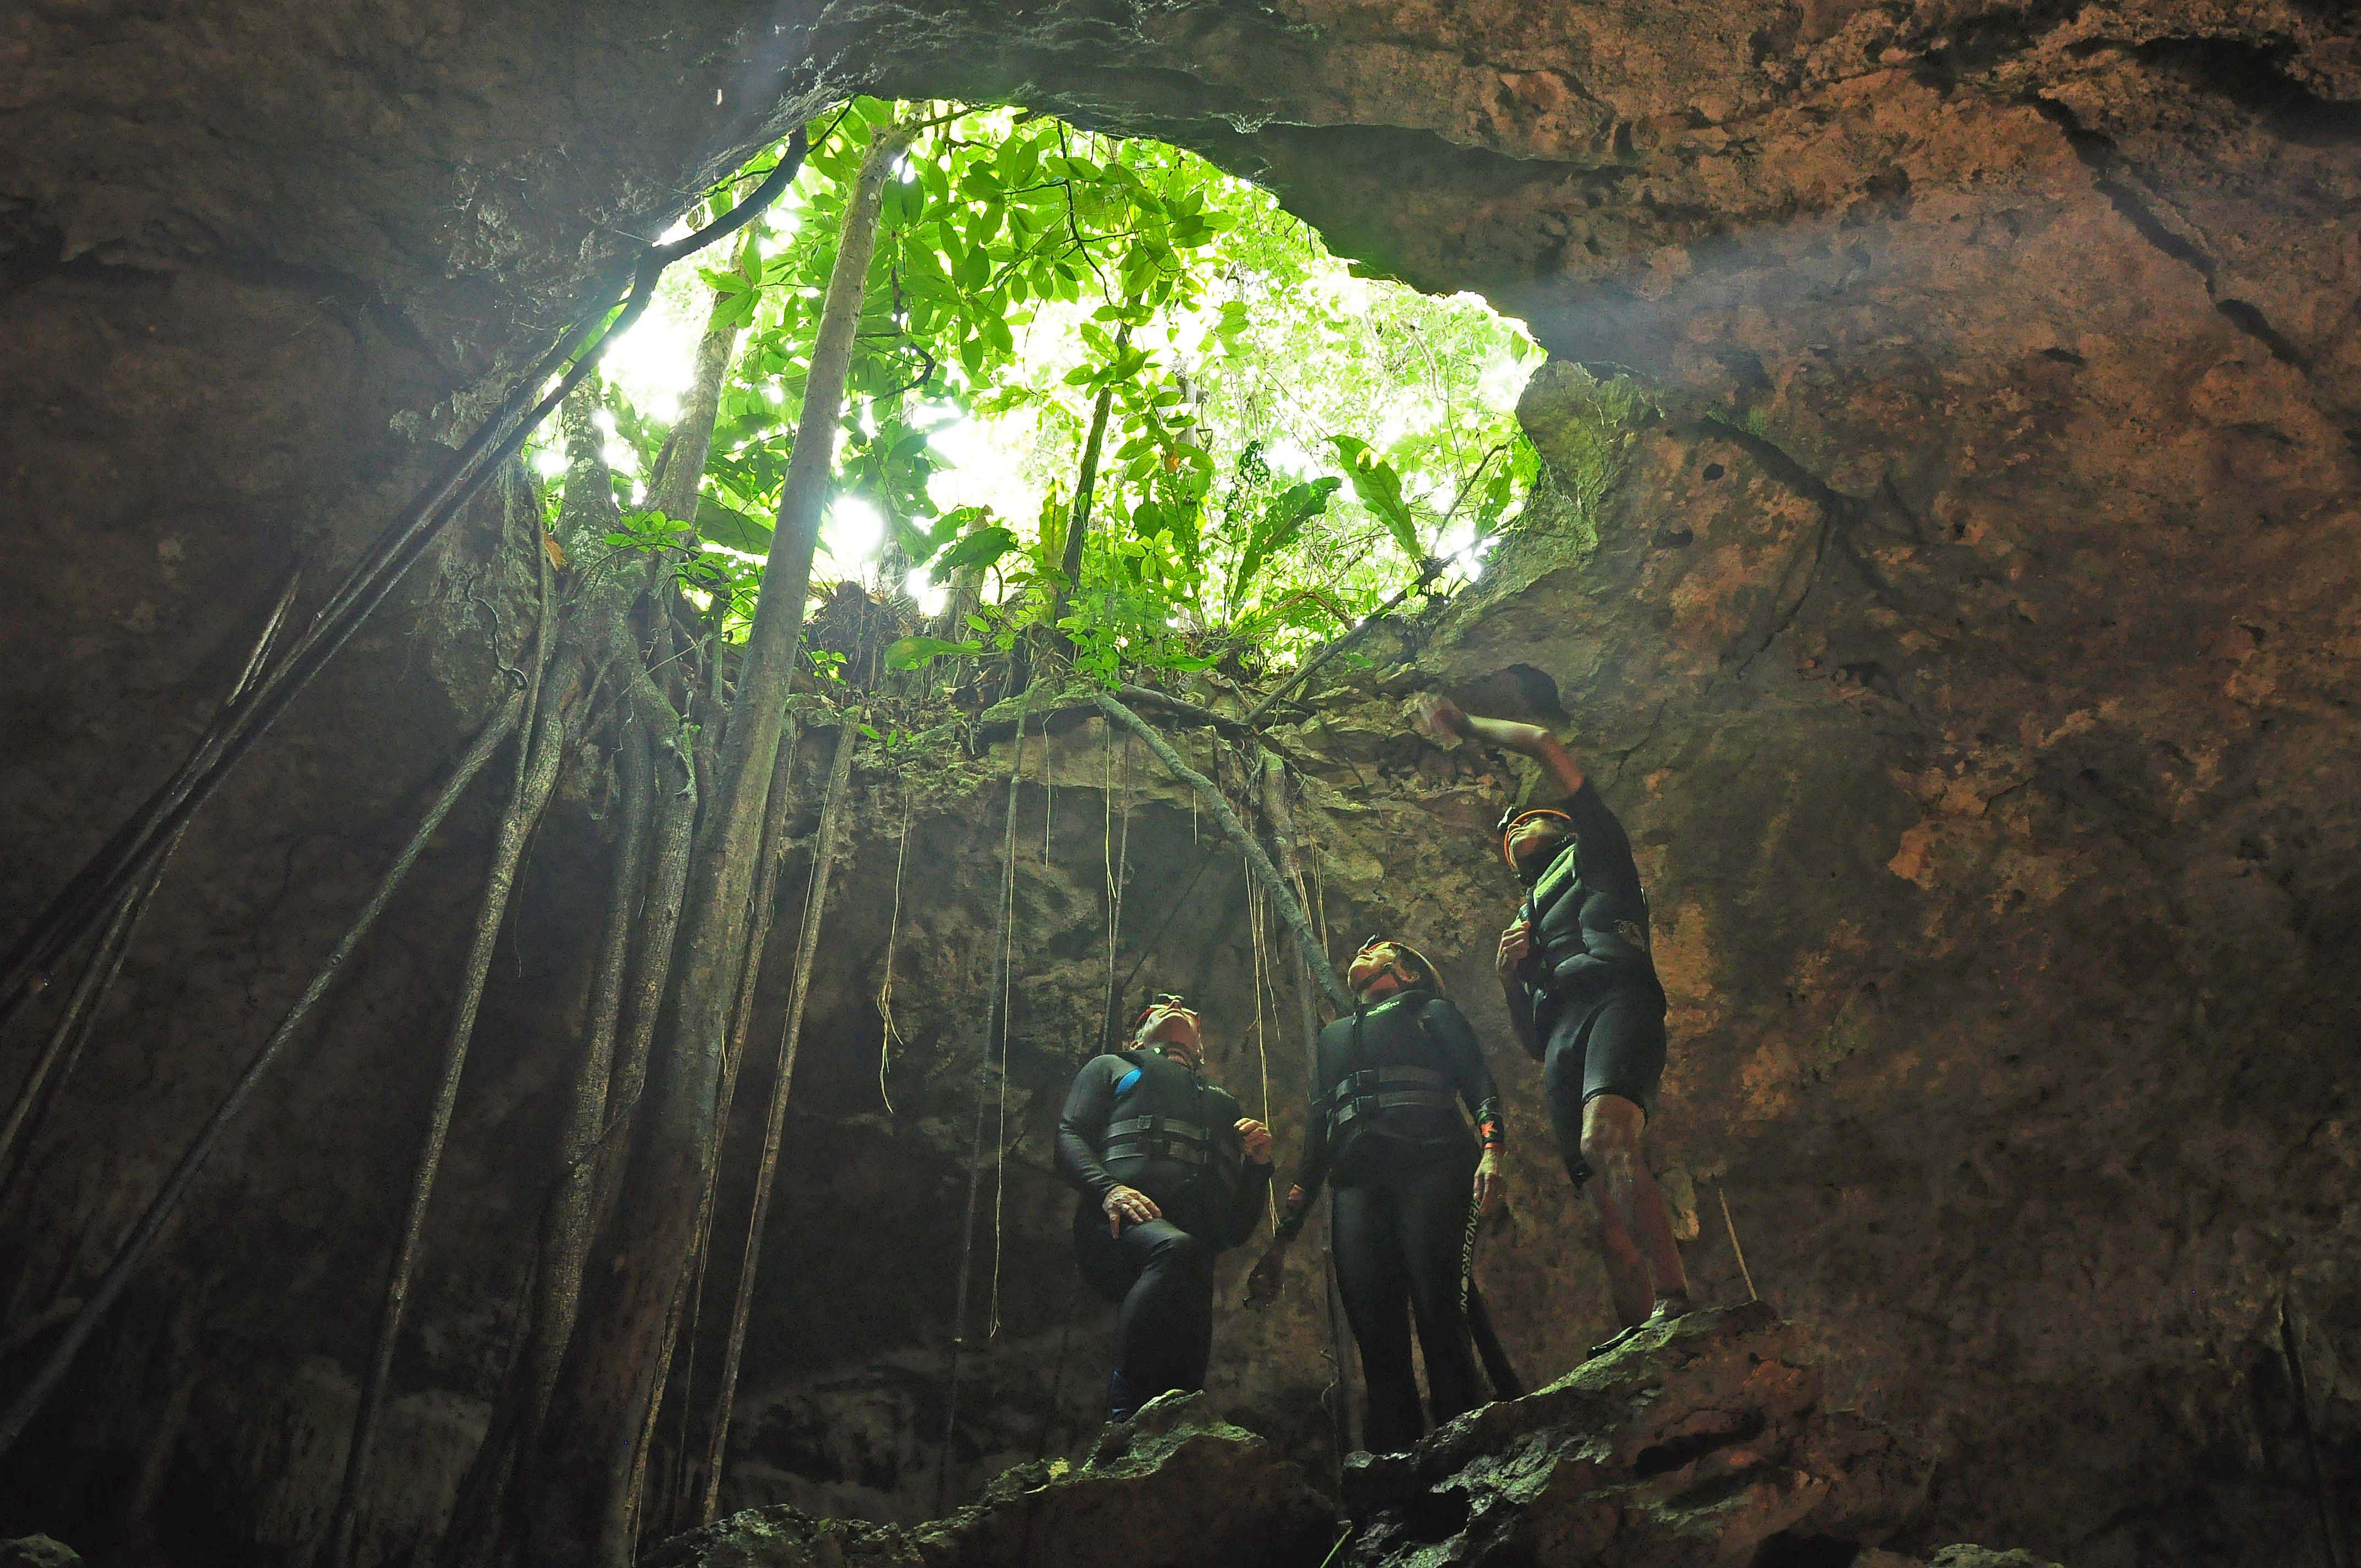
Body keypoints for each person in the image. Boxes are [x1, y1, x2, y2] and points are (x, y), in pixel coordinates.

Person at [1417, 694, 1694, 1357]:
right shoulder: (1524, 925)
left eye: (1530, 818)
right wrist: (1513, 979)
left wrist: (1467, 725)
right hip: (1563, 1033)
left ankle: (1675, 1299)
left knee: (1608, 1141)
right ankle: (1633, 1343)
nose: (1515, 826)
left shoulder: (1598, 853)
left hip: (1617, 1001)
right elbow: (1532, 1043)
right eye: (1506, 830)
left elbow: (1542, 740)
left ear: (1564, 826)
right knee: (1599, 1205)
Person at [1252, 938, 1507, 1452]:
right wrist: (1284, 1239)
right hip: (1356, 1184)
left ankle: (1470, 1451)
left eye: (1378, 947)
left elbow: (1477, 1078)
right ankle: (1400, 1462)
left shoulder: (1431, 1012)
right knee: (1373, 1324)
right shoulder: (1333, 1038)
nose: (1363, 948)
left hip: (1432, 1162)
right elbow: (1319, 1133)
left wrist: (1493, 1149)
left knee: (1440, 1310)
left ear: (1407, 970)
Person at [1054, 994, 1275, 1422]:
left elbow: (1234, 1231)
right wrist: (1108, 1190)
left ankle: (1176, 1431)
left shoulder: (1224, 1107)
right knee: (1176, 1251)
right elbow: (1069, 1134)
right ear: (1136, 1034)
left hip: (1191, 1253)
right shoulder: (1112, 1067)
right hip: (1116, 1227)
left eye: (1187, 1007)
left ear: (1202, 1046)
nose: (1173, 1001)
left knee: (1191, 1331)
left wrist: (1258, 1166)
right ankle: (1123, 1419)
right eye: (1157, 1006)